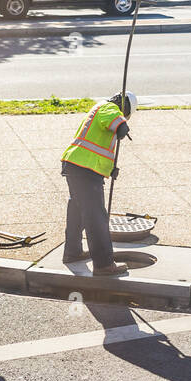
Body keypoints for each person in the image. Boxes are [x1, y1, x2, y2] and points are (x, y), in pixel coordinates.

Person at [60, 91, 136, 277]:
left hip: (77, 165)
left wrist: (109, 169)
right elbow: (113, 119)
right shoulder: (108, 108)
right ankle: (103, 264)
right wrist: (121, 124)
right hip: (84, 170)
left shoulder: (98, 109)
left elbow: (96, 145)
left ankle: (73, 252)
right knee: (96, 216)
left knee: (77, 211)